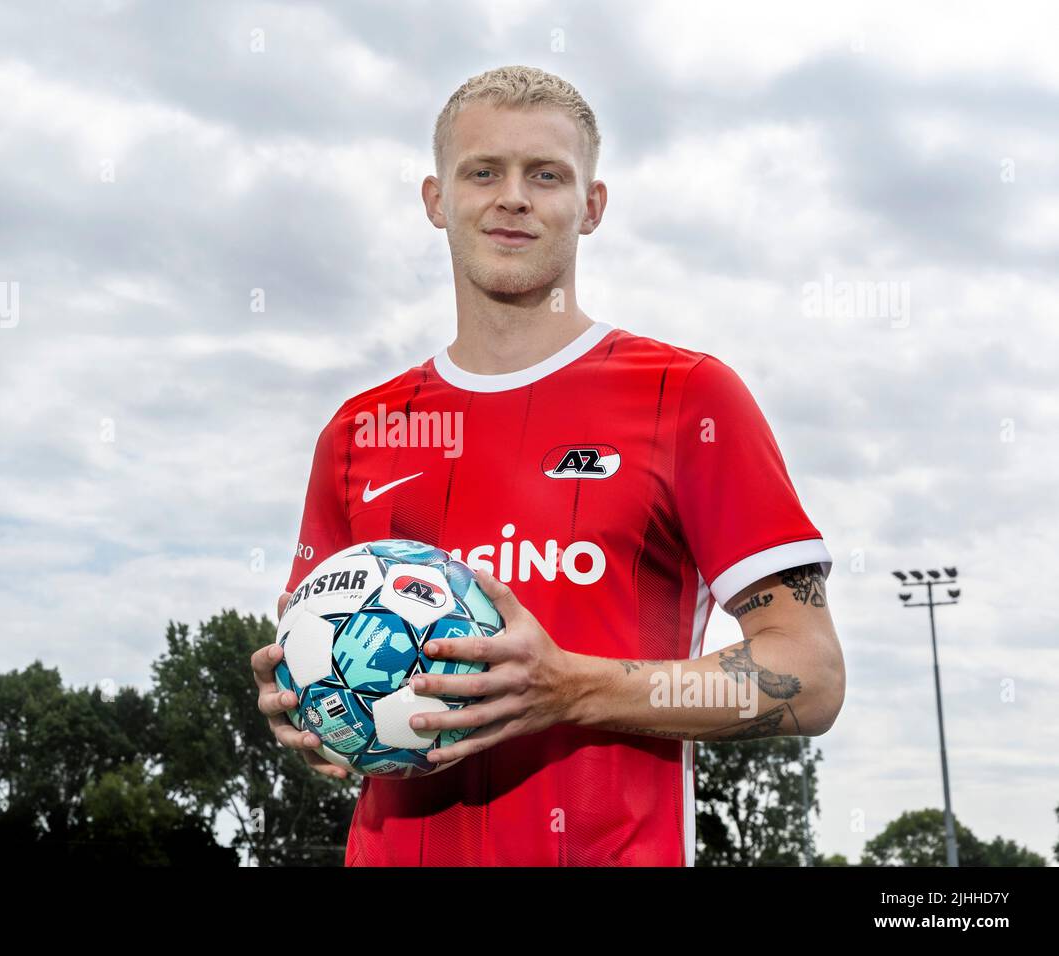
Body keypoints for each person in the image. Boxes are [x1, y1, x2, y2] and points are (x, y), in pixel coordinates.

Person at [251, 65, 845, 866]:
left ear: (591, 207)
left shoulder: (690, 398)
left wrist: (570, 687)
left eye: (547, 175)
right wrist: (304, 704)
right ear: (436, 199)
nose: (514, 198)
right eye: (484, 171)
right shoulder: (360, 432)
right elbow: (312, 661)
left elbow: (808, 674)